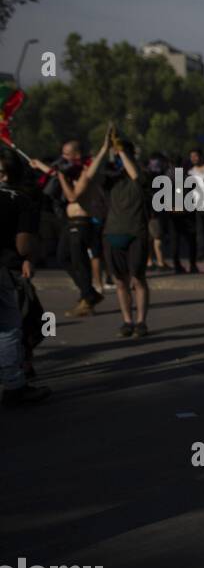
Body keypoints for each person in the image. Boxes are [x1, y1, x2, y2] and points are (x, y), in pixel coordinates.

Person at [30, 138, 107, 316]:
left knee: (79, 261)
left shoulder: (84, 171)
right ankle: (88, 294)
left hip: (81, 222)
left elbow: (72, 195)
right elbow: (55, 173)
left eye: (66, 154)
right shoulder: (71, 170)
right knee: (63, 257)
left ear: (77, 155)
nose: (62, 158)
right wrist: (39, 165)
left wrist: (63, 178)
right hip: (71, 221)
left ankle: (88, 297)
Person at [0, 146, 50, 407]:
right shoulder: (18, 200)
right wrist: (32, 254)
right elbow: (24, 246)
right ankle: (14, 387)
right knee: (8, 327)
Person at [100, 136, 151, 337]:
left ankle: (141, 321)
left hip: (136, 232)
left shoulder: (141, 174)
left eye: (120, 154)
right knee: (120, 281)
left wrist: (121, 150)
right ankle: (127, 320)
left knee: (138, 279)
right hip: (112, 232)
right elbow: (91, 174)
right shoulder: (110, 177)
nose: (117, 158)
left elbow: (136, 176)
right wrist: (105, 149)